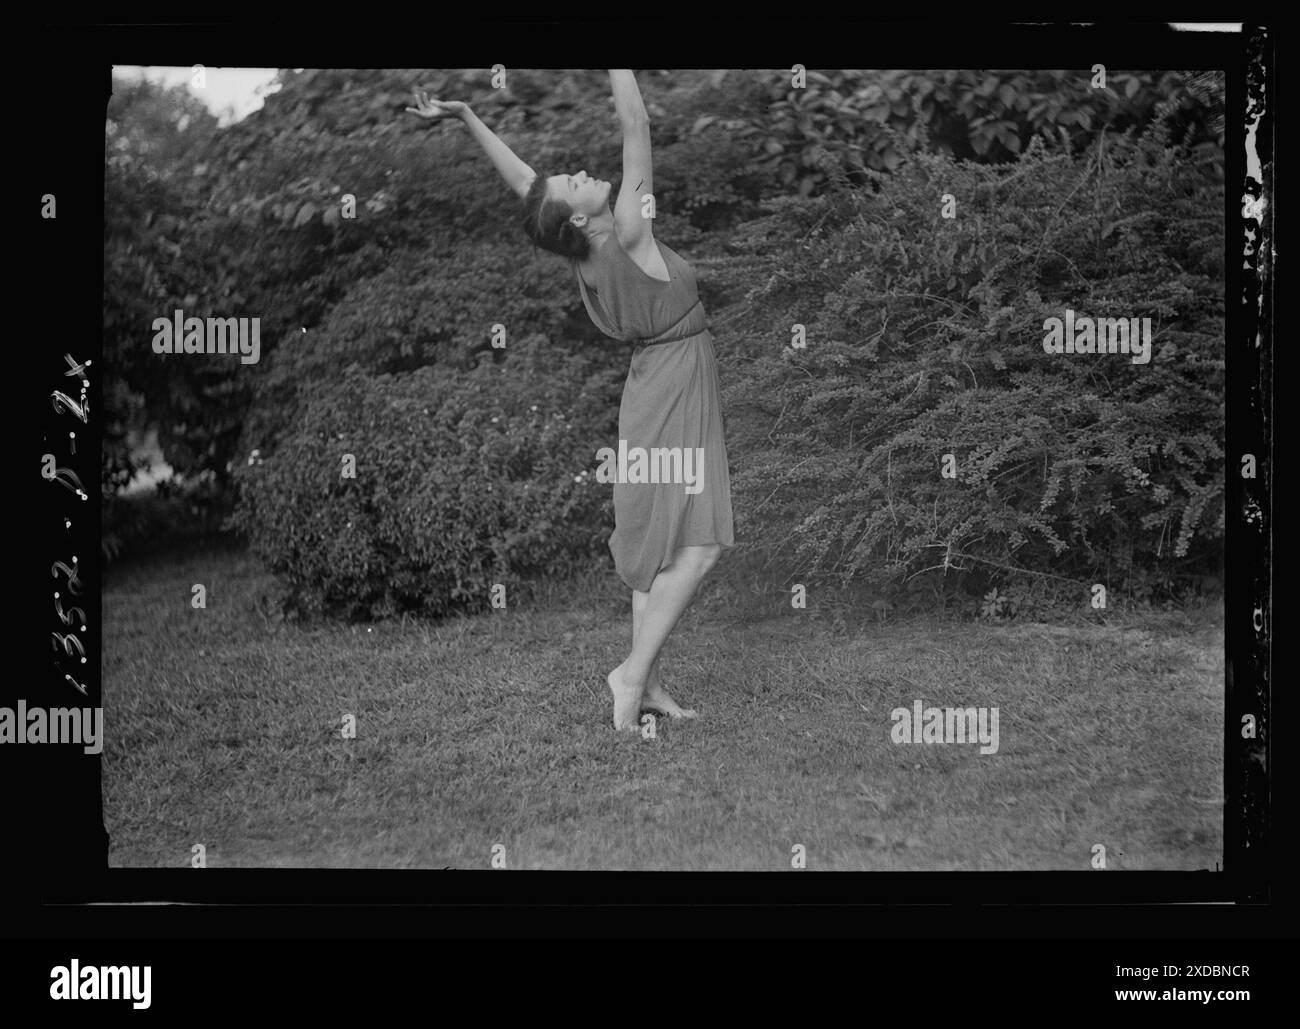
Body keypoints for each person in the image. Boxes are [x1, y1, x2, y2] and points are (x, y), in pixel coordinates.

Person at [407, 70, 734, 731]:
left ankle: (649, 686)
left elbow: (530, 190)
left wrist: (468, 116)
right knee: (698, 546)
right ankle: (631, 675)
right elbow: (637, 126)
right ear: (580, 215)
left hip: (652, 385)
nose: (582, 172)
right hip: (671, 382)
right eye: (575, 182)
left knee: (657, 554)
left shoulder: (581, 248)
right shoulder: (630, 233)